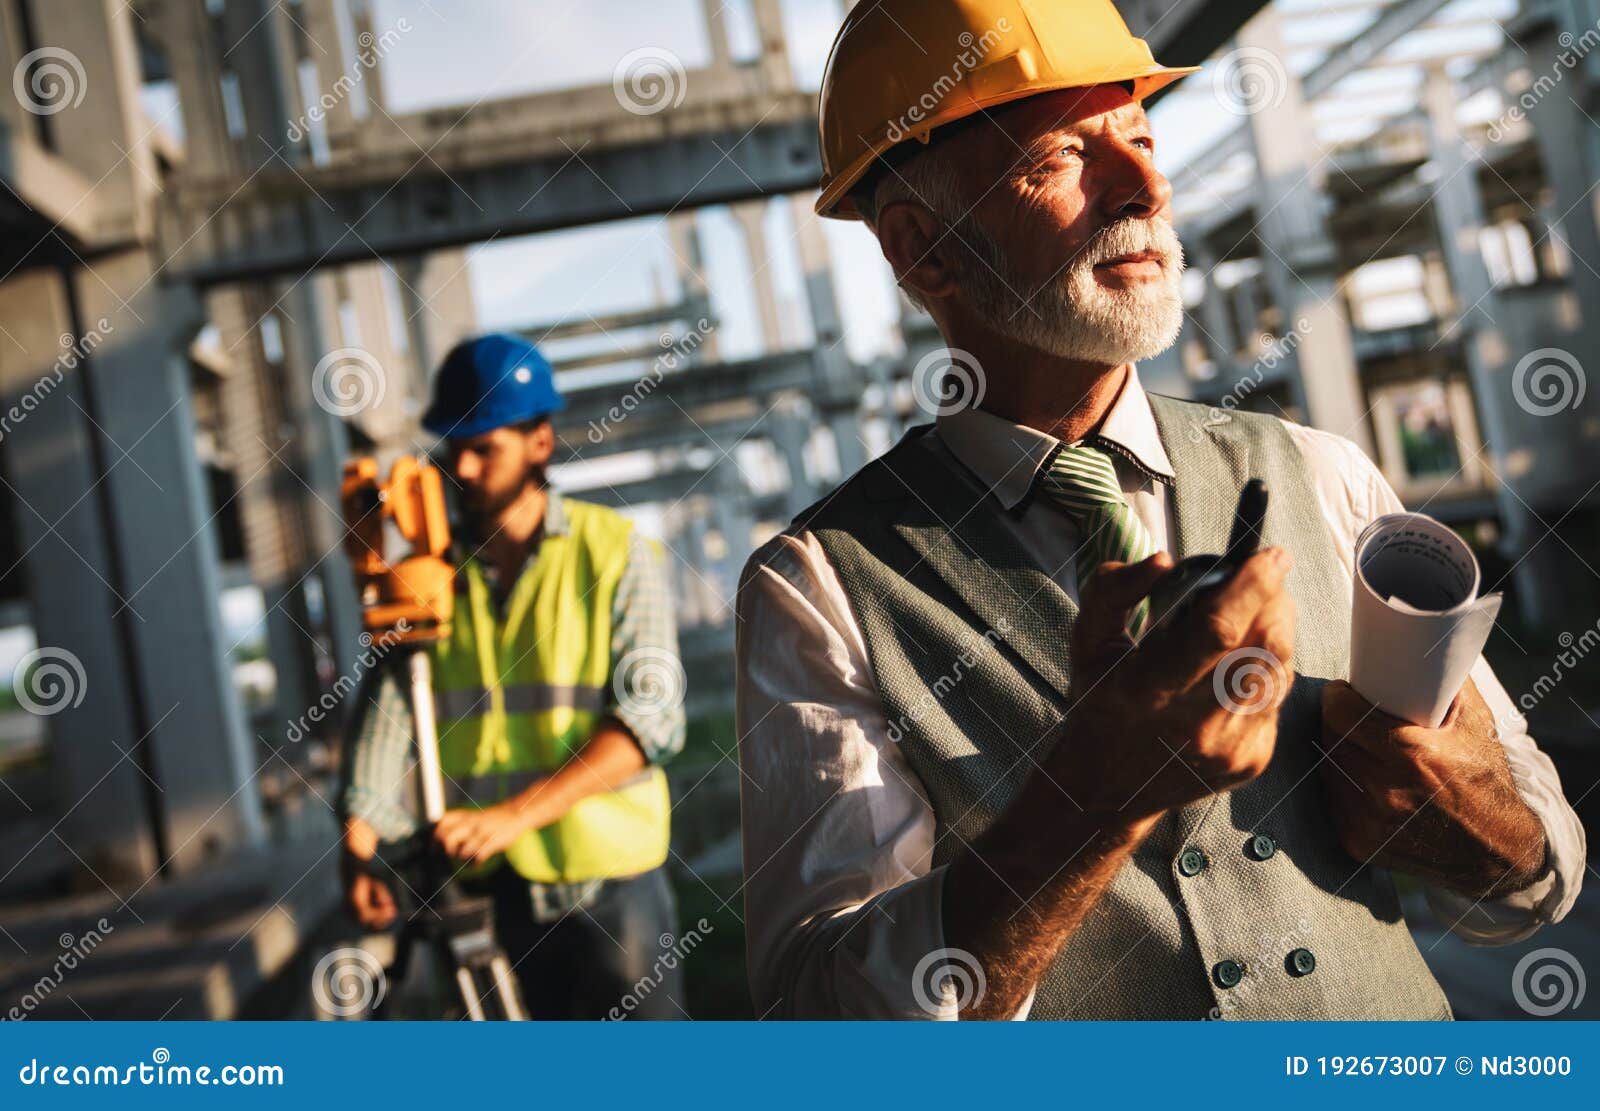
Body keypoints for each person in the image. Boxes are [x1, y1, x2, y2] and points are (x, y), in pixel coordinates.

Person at [735, 0, 1584, 1020]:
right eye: (1062, 156)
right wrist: (1093, 799)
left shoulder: (1320, 471)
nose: (1145, 186)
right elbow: (827, 1025)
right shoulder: (820, 585)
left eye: (1139, 136)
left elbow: (1544, 864)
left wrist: (1479, 817)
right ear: (923, 250)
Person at [340, 333, 686, 1019]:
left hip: (609, 890)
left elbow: (651, 720)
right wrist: (357, 842)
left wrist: (511, 817)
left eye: (485, 445)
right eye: (453, 446)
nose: (463, 465)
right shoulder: (430, 572)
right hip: (486, 892)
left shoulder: (613, 551)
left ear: (540, 441)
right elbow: (391, 705)